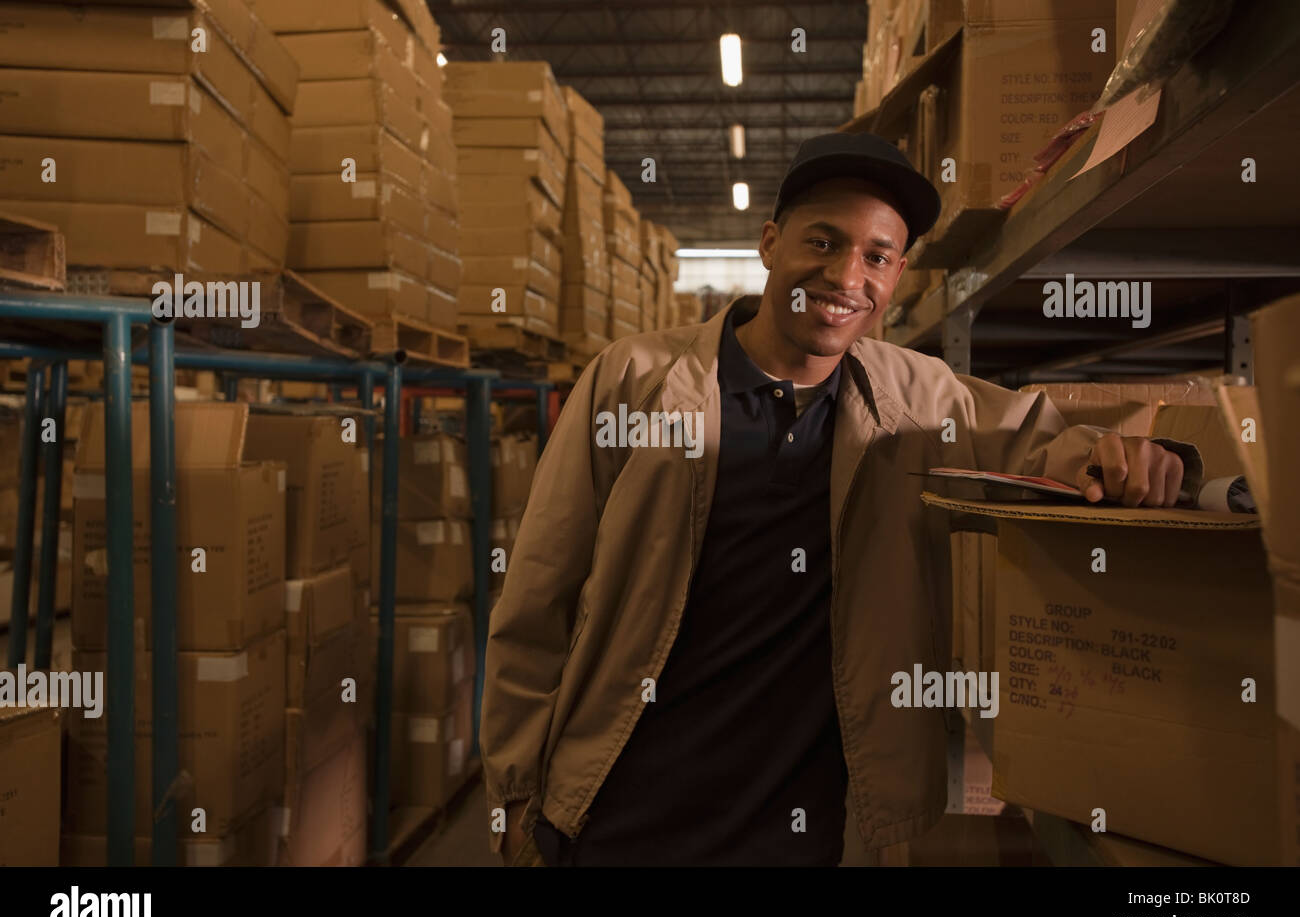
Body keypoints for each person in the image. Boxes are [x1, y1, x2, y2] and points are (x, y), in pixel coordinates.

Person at [480, 131, 1200, 867]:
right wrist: (512, 796)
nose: (845, 276)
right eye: (822, 242)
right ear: (769, 243)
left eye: (876, 256)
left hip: (801, 826)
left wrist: (1141, 456)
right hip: (617, 811)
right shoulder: (634, 379)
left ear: (897, 273)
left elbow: (1042, 441)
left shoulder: (916, 398)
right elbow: (540, 588)